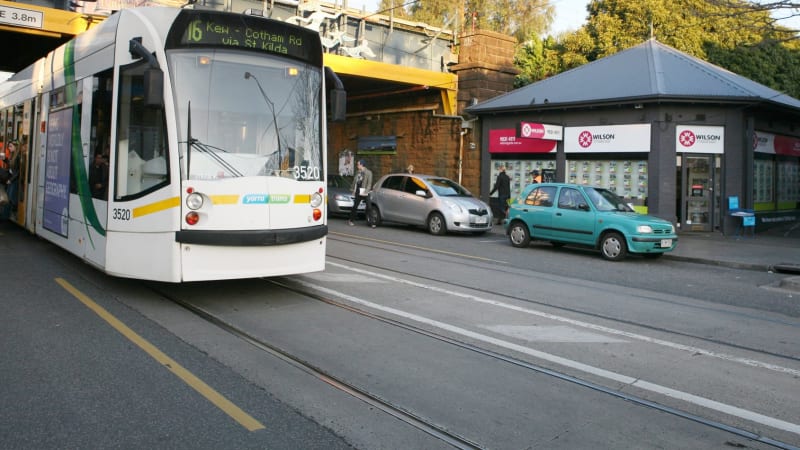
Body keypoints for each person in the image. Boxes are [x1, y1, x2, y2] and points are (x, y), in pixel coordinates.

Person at [349, 159, 373, 227]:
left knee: (369, 207)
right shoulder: (357, 172)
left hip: (365, 191)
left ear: (362, 165)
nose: (357, 166)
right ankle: (351, 220)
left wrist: (366, 191)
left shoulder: (369, 172)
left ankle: (371, 222)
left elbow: (369, 183)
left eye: (358, 164)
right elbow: (355, 182)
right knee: (355, 206)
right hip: (358, 191)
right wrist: (353, 190)